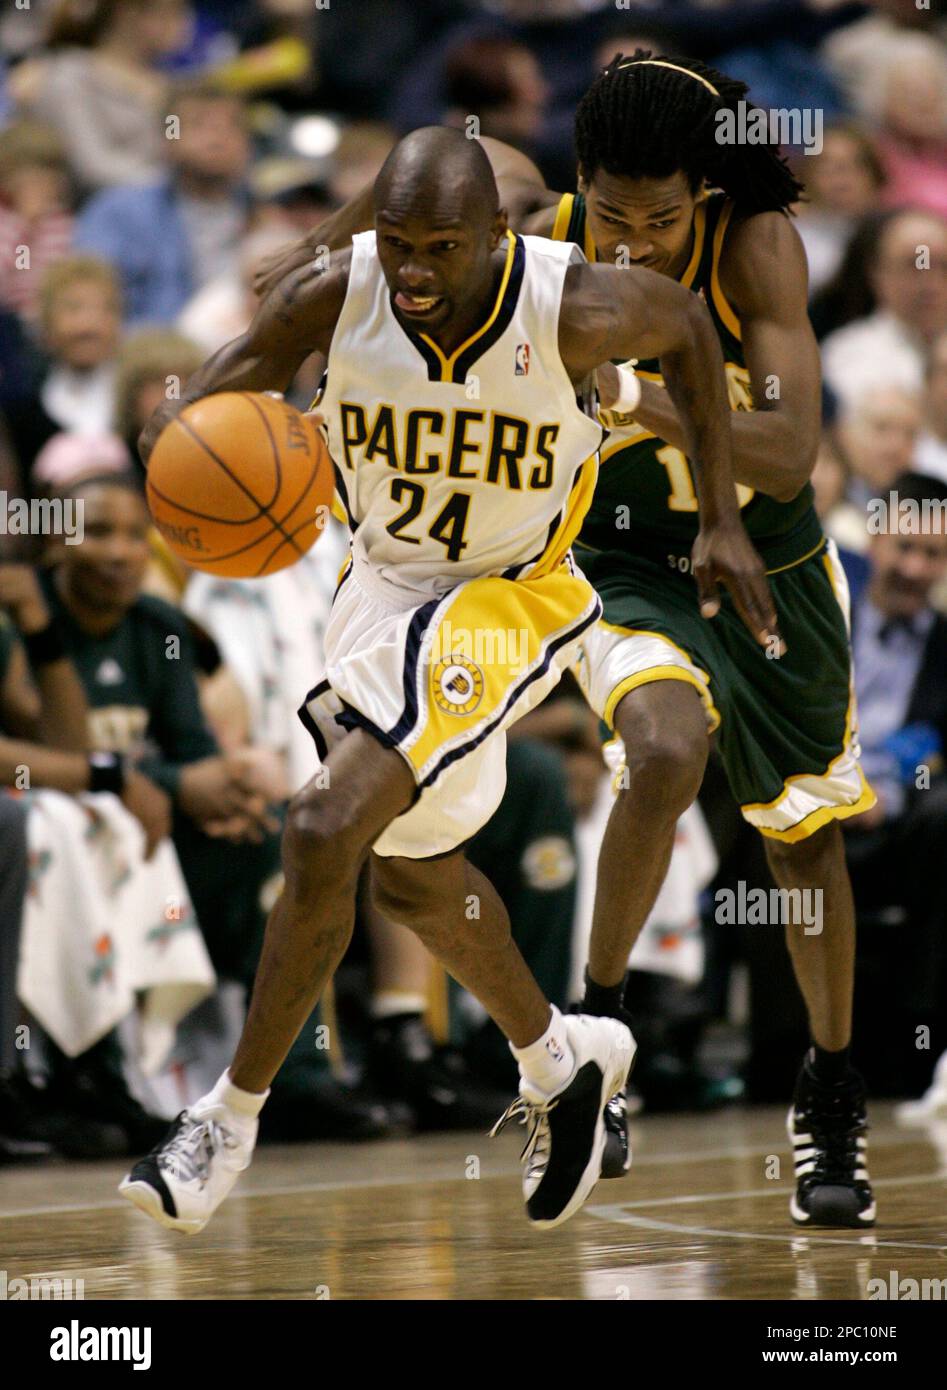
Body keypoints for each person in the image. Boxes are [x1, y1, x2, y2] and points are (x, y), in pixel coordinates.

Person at [258, 55, 880, 1231]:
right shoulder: (526, 214)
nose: (633, 243)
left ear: (699, 196)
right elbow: (432, 156)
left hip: (764, 559)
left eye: (658, 218)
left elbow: (791, 451)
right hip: (613, 556)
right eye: (609, 215)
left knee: (803, 845)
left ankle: (830, 1083)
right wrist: (310, 262)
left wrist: (634, 395)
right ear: (575, 187)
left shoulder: (755, 249)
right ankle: (598, 1034)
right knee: (661, 746)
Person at [119, 124, 775, 1235]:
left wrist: (718, 517)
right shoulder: (337, 292)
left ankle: (225, 1121)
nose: (413, 271)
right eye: (397, 243)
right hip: (375, 587)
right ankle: (557, 1059)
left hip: (508, 596)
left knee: (326, 824)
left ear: (493, 236)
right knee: (412, 869)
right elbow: (217, 397)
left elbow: (693, 346)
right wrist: (170, 436)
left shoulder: (581, 307)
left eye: (440, 247)